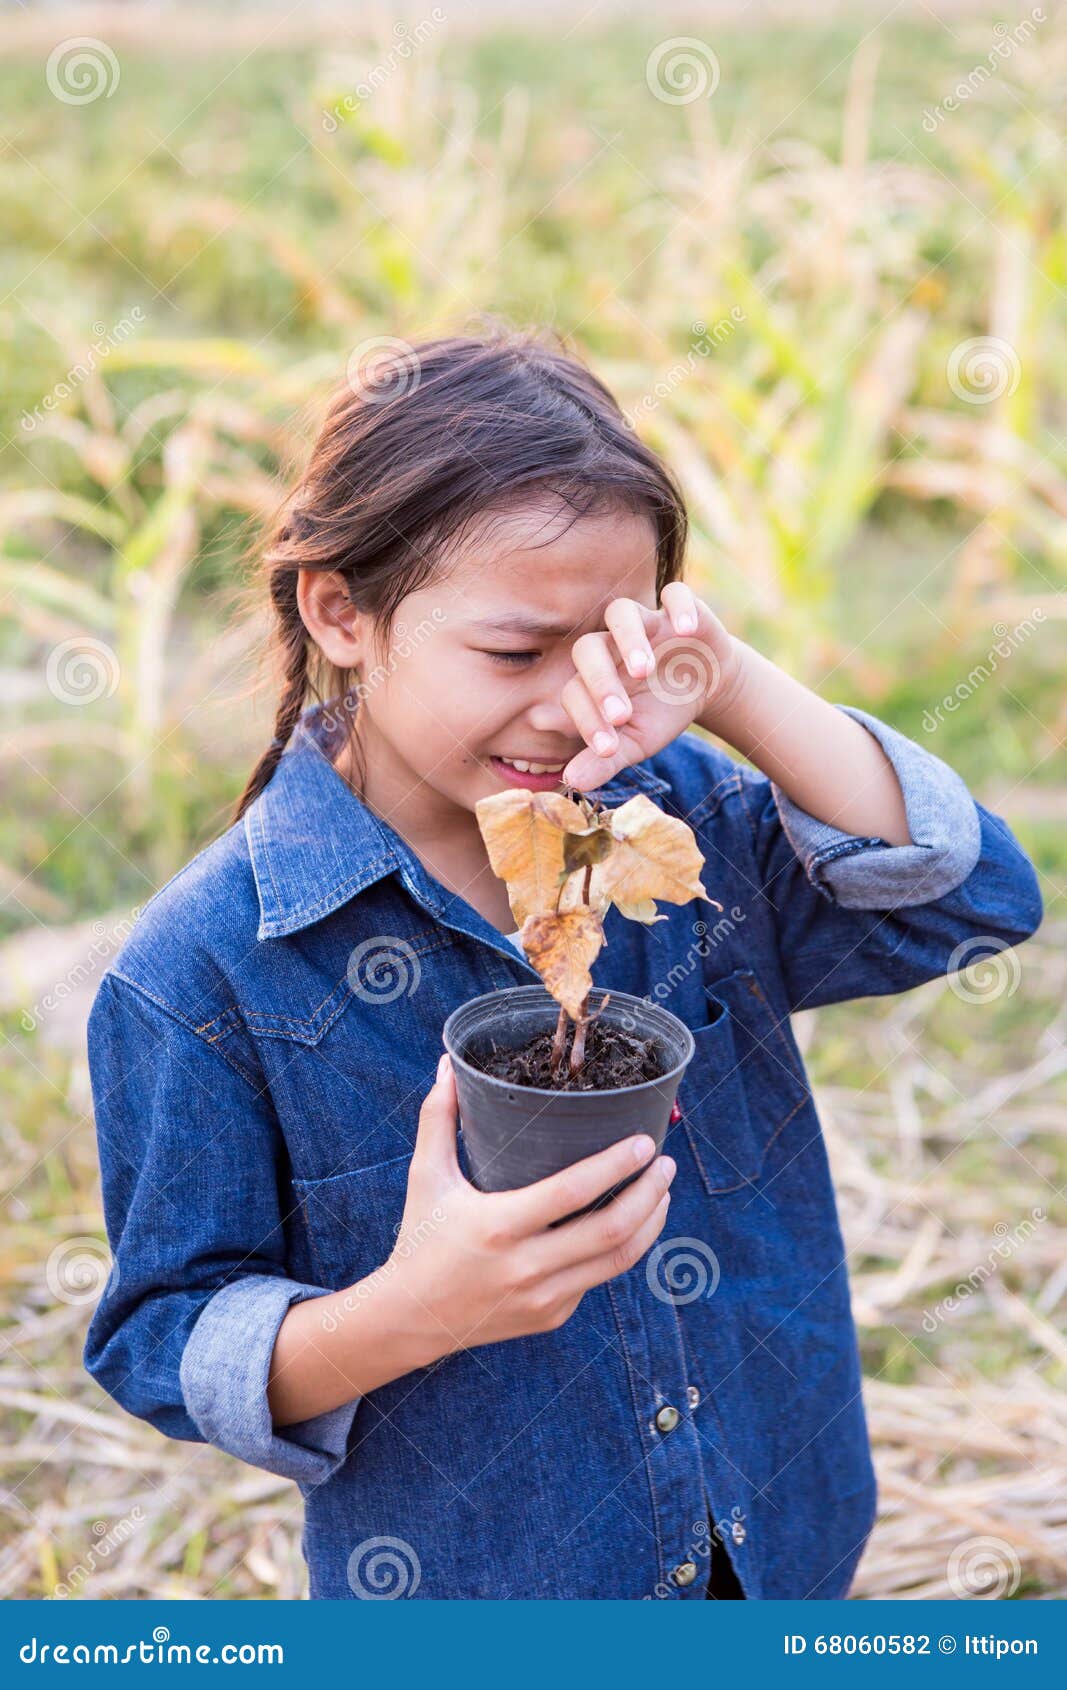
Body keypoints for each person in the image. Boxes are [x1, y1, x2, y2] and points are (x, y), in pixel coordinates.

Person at [83, 330, 1042, 1600]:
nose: (565, 708)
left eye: (609, 650)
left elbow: (964, 898)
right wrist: (417, 1309)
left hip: (779, 1546)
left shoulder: (672, 824)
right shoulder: (207, 973)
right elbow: (165, 1339)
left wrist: (732, 690)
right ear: (341, 611)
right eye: (514, 653)